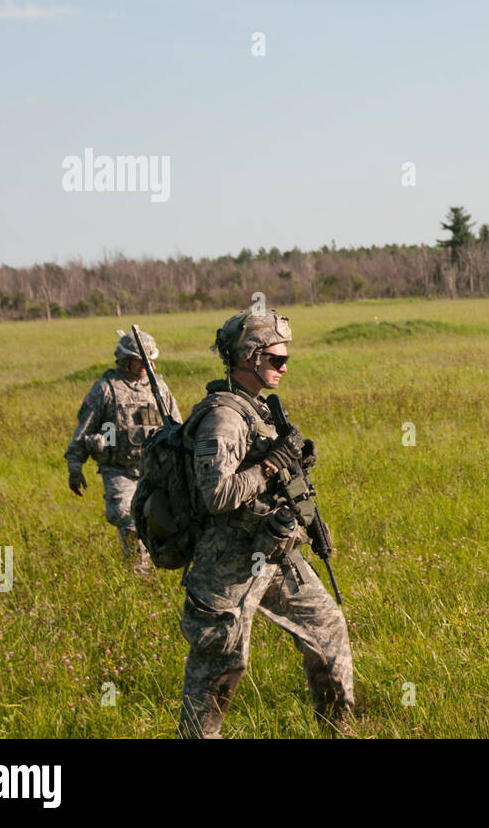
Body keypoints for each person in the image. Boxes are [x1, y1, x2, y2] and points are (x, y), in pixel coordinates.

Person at [177, 308, 355, 738]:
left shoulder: (261, 410)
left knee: (327, 630)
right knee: (218, 676)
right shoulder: (224, 417)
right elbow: (216, 495)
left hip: (273, 551)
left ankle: (340, 730)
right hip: (228, 565)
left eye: (285, 357)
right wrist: (271, 467)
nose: (284, 366)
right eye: (276, 359)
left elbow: (280, 476)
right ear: (248, 357)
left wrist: (297, 477)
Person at [65, 329, 181, 574]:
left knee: (163, 519)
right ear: (124, 360)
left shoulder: (158, 387)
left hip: (154, 468)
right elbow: (83, 430)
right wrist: (75, 468)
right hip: (119, 469)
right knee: (126, 517)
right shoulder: (106, 389)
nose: (145, 366)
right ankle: (137, 573)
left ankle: (158, 566)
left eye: (149, 361)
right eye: (139, 361)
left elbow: (176, 426)